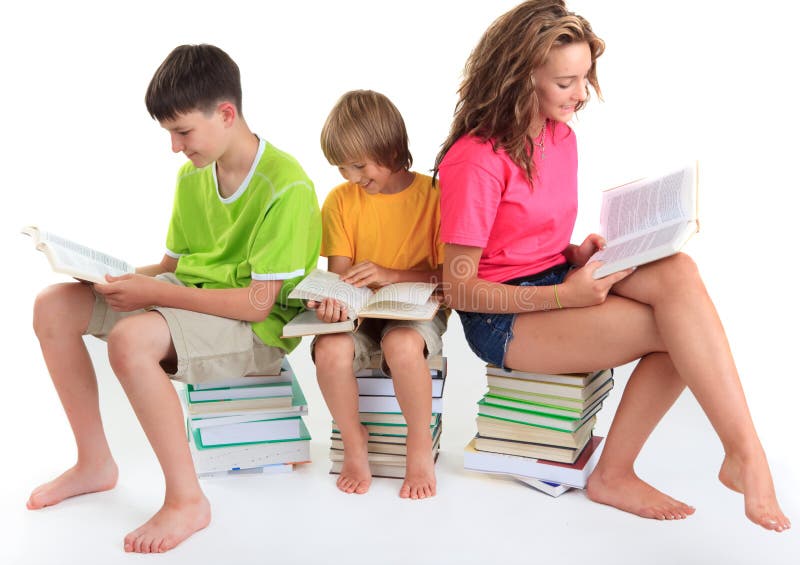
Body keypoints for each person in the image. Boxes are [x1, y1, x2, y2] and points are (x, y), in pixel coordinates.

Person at [434, 0, 790, 532]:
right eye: (566, 81)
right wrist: (564, 296)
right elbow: (459, 290)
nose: (581, 94)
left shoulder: (560, 136)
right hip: (503, 318)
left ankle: (744, 452)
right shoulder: (476, 159)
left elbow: (528, 235)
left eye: (584, 78)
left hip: (557, 277)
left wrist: (577, 253)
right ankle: (623, 473)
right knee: (676, 330)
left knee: (679, 272)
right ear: (519, 78)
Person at [26, 44, 322, 552]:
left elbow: (257, 305)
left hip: (255, 326)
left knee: (129, 340)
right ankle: (95, 462)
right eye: (169, 133)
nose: (174, 146)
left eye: (182, 131)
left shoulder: (287, 186)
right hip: (190, 298)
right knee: (52, 304)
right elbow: (171, 270)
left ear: (226, 114)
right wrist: (111, 277)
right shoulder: (191, 176)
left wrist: (151, 296)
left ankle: (187, 500)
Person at [310, 90, 447, 499]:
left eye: (358, 165)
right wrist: (331, 301)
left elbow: (447, 278)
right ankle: (355, 441)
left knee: (402, 345)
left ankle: (418, 443)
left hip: (417, 309)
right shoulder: (340, 201)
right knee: (331, 350)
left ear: (389, 149)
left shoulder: (434, 196)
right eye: (341, 168)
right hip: (361, 312)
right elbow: (338, 276)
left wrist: (391, 275)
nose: (352, 177)